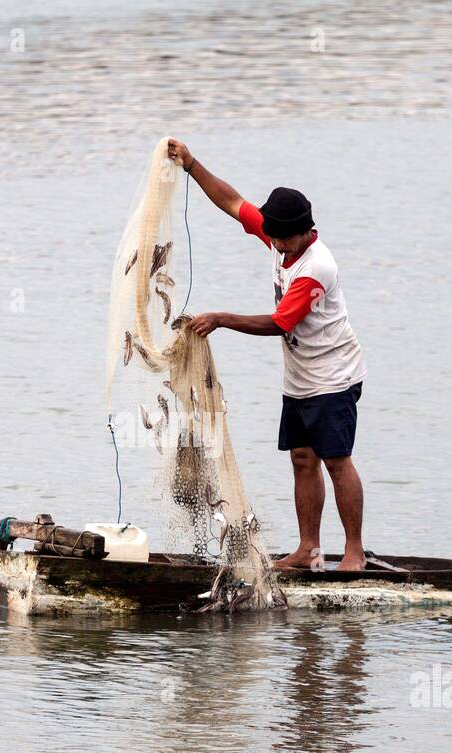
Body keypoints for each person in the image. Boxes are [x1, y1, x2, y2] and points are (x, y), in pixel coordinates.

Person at [167, 139, 368, 571]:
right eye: (270, 235)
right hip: (299, 375)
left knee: (336, 460)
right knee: (301, 459)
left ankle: (354, 552)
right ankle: (308, 550)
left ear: (303, 232)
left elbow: (281, 322)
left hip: (333, 374)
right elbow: (233, 202)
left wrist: (221, 318)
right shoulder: (281, 237)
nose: (273, 243)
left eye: (280, 238)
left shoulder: (316, 266)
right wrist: (191, 163)